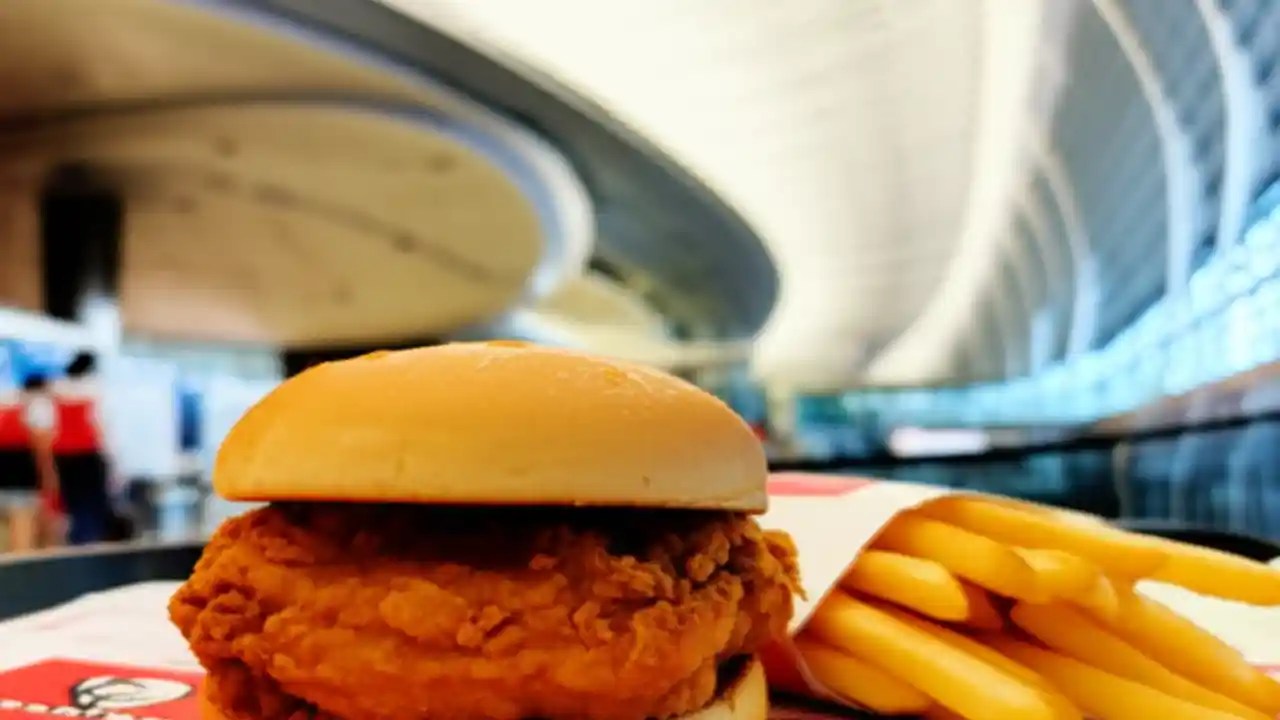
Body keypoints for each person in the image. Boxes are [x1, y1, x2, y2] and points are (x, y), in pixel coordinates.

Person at [52, 351, 114, 545]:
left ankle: (75, 540)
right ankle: (90, 541)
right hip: (87, 454)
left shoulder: (58, 389)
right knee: (92, 502)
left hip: (63, 456)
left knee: (72, 503)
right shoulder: (93, 389)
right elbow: (99, 426)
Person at [0, 375, 60, 551]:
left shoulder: (7, 407)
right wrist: (50, 476)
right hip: (22, 481)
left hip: (6, 477)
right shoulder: (38, 407)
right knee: (22, 542)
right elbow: (42, 448)